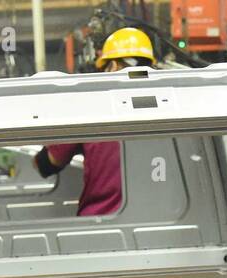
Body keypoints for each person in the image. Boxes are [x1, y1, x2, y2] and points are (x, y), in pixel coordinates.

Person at [31, 28, 157, 217]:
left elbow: (47, 164)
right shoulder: (170, 109)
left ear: (113, 65)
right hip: (159, 220)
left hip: (100, 222)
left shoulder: (90, 108)